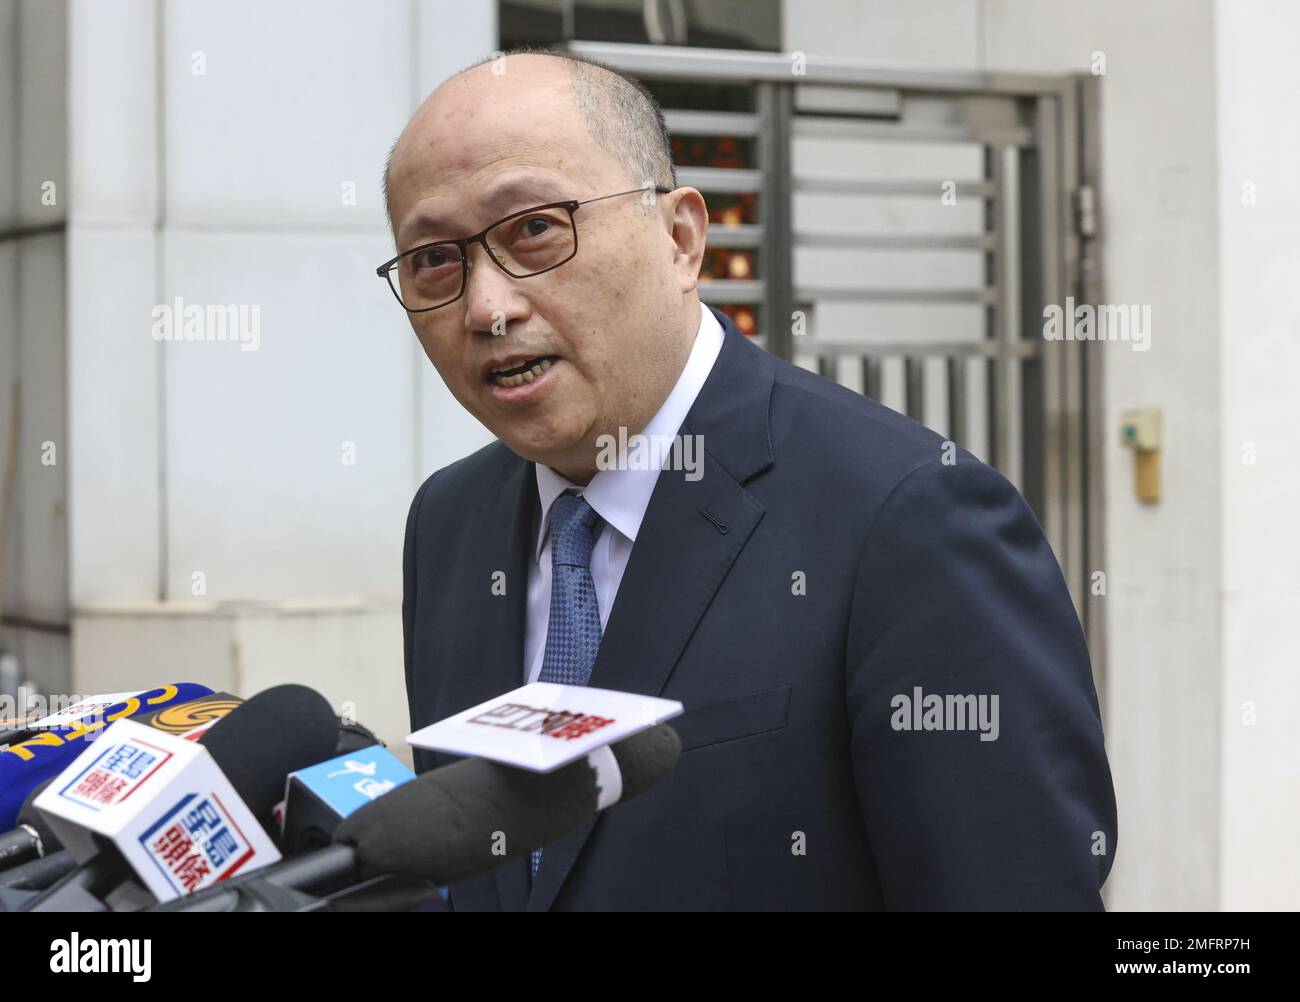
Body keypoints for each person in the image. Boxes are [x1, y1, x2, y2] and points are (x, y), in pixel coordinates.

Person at [382, 48, 1117, 910]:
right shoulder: (451, 523)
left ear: (681, 239)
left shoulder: (906, 519)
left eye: (536, 229)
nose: (487, 306)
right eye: (435, 259)